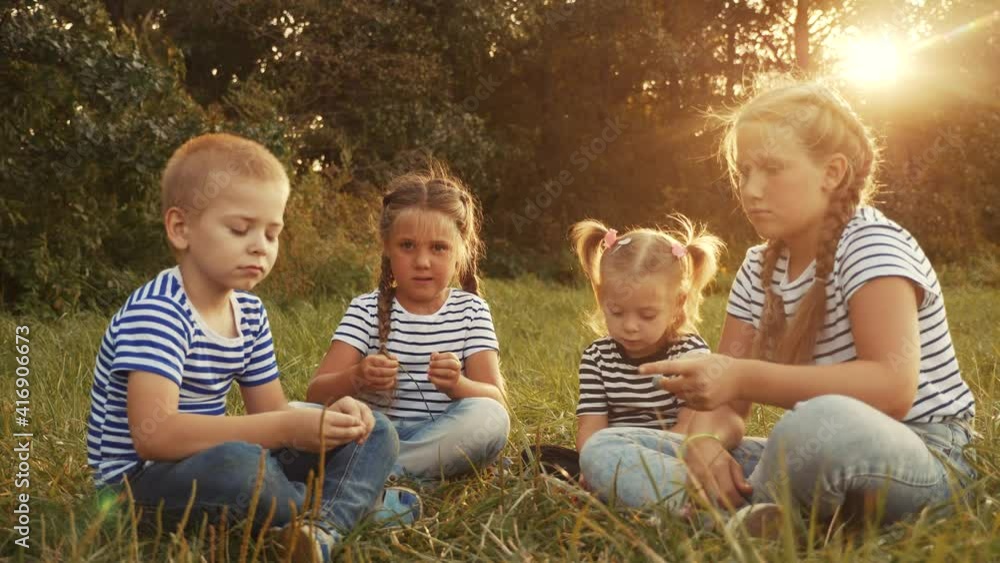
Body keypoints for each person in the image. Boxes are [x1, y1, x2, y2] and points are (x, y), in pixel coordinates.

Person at [640, 80, 976, 532]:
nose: (752, 189)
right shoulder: (758, 266)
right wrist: (705, 441)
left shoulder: (871, 243)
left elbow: (892, 388)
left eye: (772, 169)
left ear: (832, 172)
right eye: (744, 172)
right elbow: (726, 403)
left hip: (921, 454)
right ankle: (757, 514)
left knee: (821, 422)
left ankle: (716, 515)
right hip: (805, 452)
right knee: (613, 446)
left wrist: (744, 375)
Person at [85, 133, 404, 561]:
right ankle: (357, 508)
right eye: (240, 229)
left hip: (221, 459)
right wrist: (287, 430)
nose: (260, 246)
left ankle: (318, 530)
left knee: (374, 430)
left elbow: (269, 410)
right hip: (141, 488)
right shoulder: (159, 311)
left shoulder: (249, 312)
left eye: (272, 234)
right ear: (181, 229)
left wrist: (327, 418)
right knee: (242, 468)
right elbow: (155, 437)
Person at [307, 164, 510, 482]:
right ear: (387, 247)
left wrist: (458, 385)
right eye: (407, 246)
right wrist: (357, 376)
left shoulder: (472, 310)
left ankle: (378, 475)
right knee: (296, 414)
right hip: (372, 434)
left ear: (461, 250)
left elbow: (495, 398)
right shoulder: (365, 309)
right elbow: (316, 394)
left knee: (491, 418)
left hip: (442, 437)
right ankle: (397, 479)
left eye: (439, 248)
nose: (422, 261)